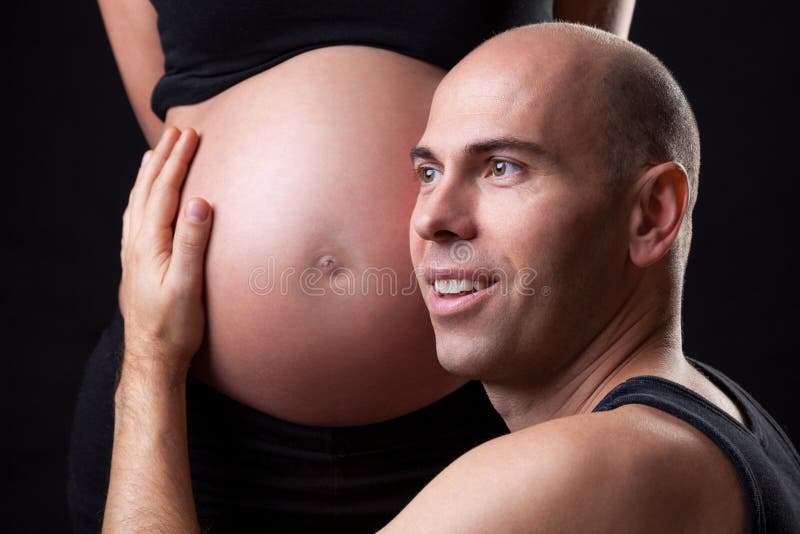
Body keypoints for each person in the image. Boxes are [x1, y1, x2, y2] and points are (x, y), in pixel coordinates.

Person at [104, 22, 800, 533]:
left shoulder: (583, 471)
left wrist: (149, 359)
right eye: (428, 172)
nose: (431, 216)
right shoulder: (721, 417)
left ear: (653, 213)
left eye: (503, 167)